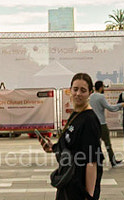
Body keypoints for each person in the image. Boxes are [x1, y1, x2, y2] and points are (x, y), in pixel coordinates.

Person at [39, 72, 102, 200]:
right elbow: (70, 145)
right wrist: (53, 148)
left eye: (83, 90)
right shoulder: (76, 114)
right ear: (70, 90)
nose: (78, 94)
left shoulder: (89, 120)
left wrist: (89, 196)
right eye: (75, 89)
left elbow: (92, 161)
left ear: (90, 93)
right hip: (68, 181)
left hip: (79, 186)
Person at [89, 80, 123, 167]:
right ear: (100, 87)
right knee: (107, 143)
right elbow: (110, 108)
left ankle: (97, 160)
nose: (104, 88)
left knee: (96, 143)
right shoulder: (101, 97)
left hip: (93, 124)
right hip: (102, 123)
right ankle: (112, 160)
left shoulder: (91, 97)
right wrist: (120, 105)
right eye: (103, 87)